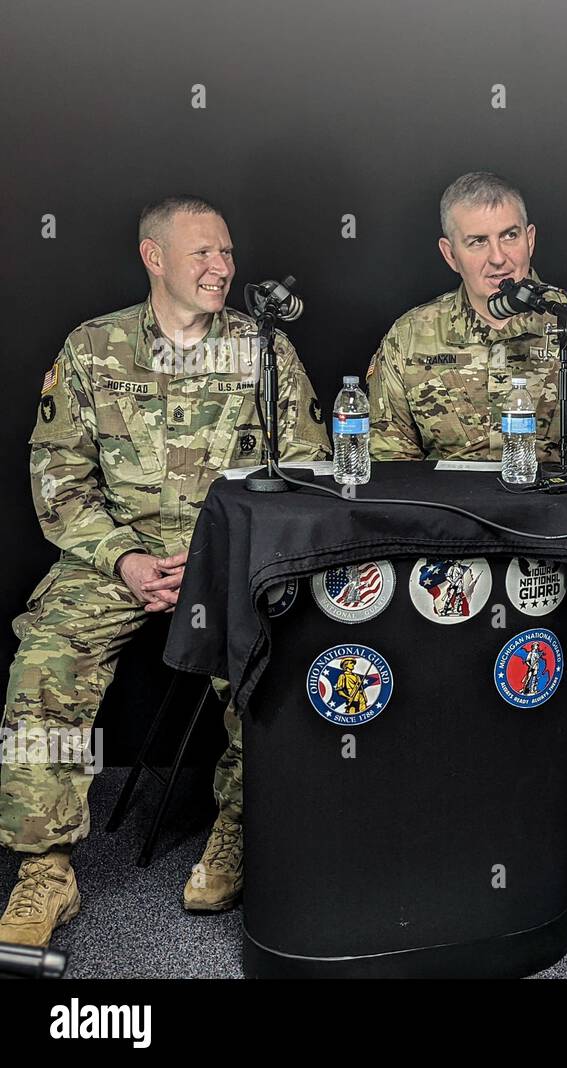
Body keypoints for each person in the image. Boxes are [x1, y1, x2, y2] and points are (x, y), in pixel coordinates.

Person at [0, 195, 330, 946]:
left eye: (227, 253)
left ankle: (239, 832)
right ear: (154, 258)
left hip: (234, 557)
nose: (222, 268)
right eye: (202, 254)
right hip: (120, 556)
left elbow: (309, 465)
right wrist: (124, 558)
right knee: (44, 664)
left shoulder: (262, 349)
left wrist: (235, 555)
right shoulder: (93, 349)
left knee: (279, 661)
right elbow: (57, 475)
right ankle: (44, 869)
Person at [367, 172, 567, 916]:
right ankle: (415, 825)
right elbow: (385, 462)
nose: (499, 256)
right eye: (479, 241)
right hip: (445, 555)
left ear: (531, 239)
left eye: (510, 235)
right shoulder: (413, 338)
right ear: (451, 253)